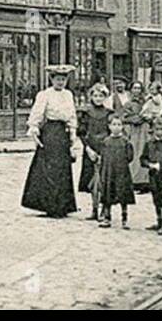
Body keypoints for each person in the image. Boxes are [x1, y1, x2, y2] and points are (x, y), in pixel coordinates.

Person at [21, 64, 80, 218]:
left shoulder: (68, 95)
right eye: (58, 79)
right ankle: (49, 205)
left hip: (63, 133)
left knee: (63, 169)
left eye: (63, 79)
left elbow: (72, 115)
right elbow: (37, 113)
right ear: (52, 80)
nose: (60, 82)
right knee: (49, 169)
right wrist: (34, 129)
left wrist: (73, 133)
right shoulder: (45, 95)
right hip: (50, 132)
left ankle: (63, 205)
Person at [77, 83, 114, 220]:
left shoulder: (109, 113)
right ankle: (94, 209)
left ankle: (105, 209)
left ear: (105, 97)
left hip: (105, 148)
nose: (98, 98)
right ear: (91, 96)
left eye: (101, 96)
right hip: (90, 148)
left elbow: (113, 132)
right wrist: (87, 148)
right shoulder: (86, 113)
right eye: (95, 95)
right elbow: (81, 132)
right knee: (92, 180)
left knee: (104, 180)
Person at [98, 114, 136, 228]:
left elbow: (130, 157)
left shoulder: (125, 142)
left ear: (122, 126)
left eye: (119, 124)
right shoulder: (106, 141)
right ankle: (107, 217)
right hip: (109, 172)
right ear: (109, 126)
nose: (116, 127)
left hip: (122, 172)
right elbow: (103, 156)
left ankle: (124, 219)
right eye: (114, 124)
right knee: (108, 194)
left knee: (123, 194)